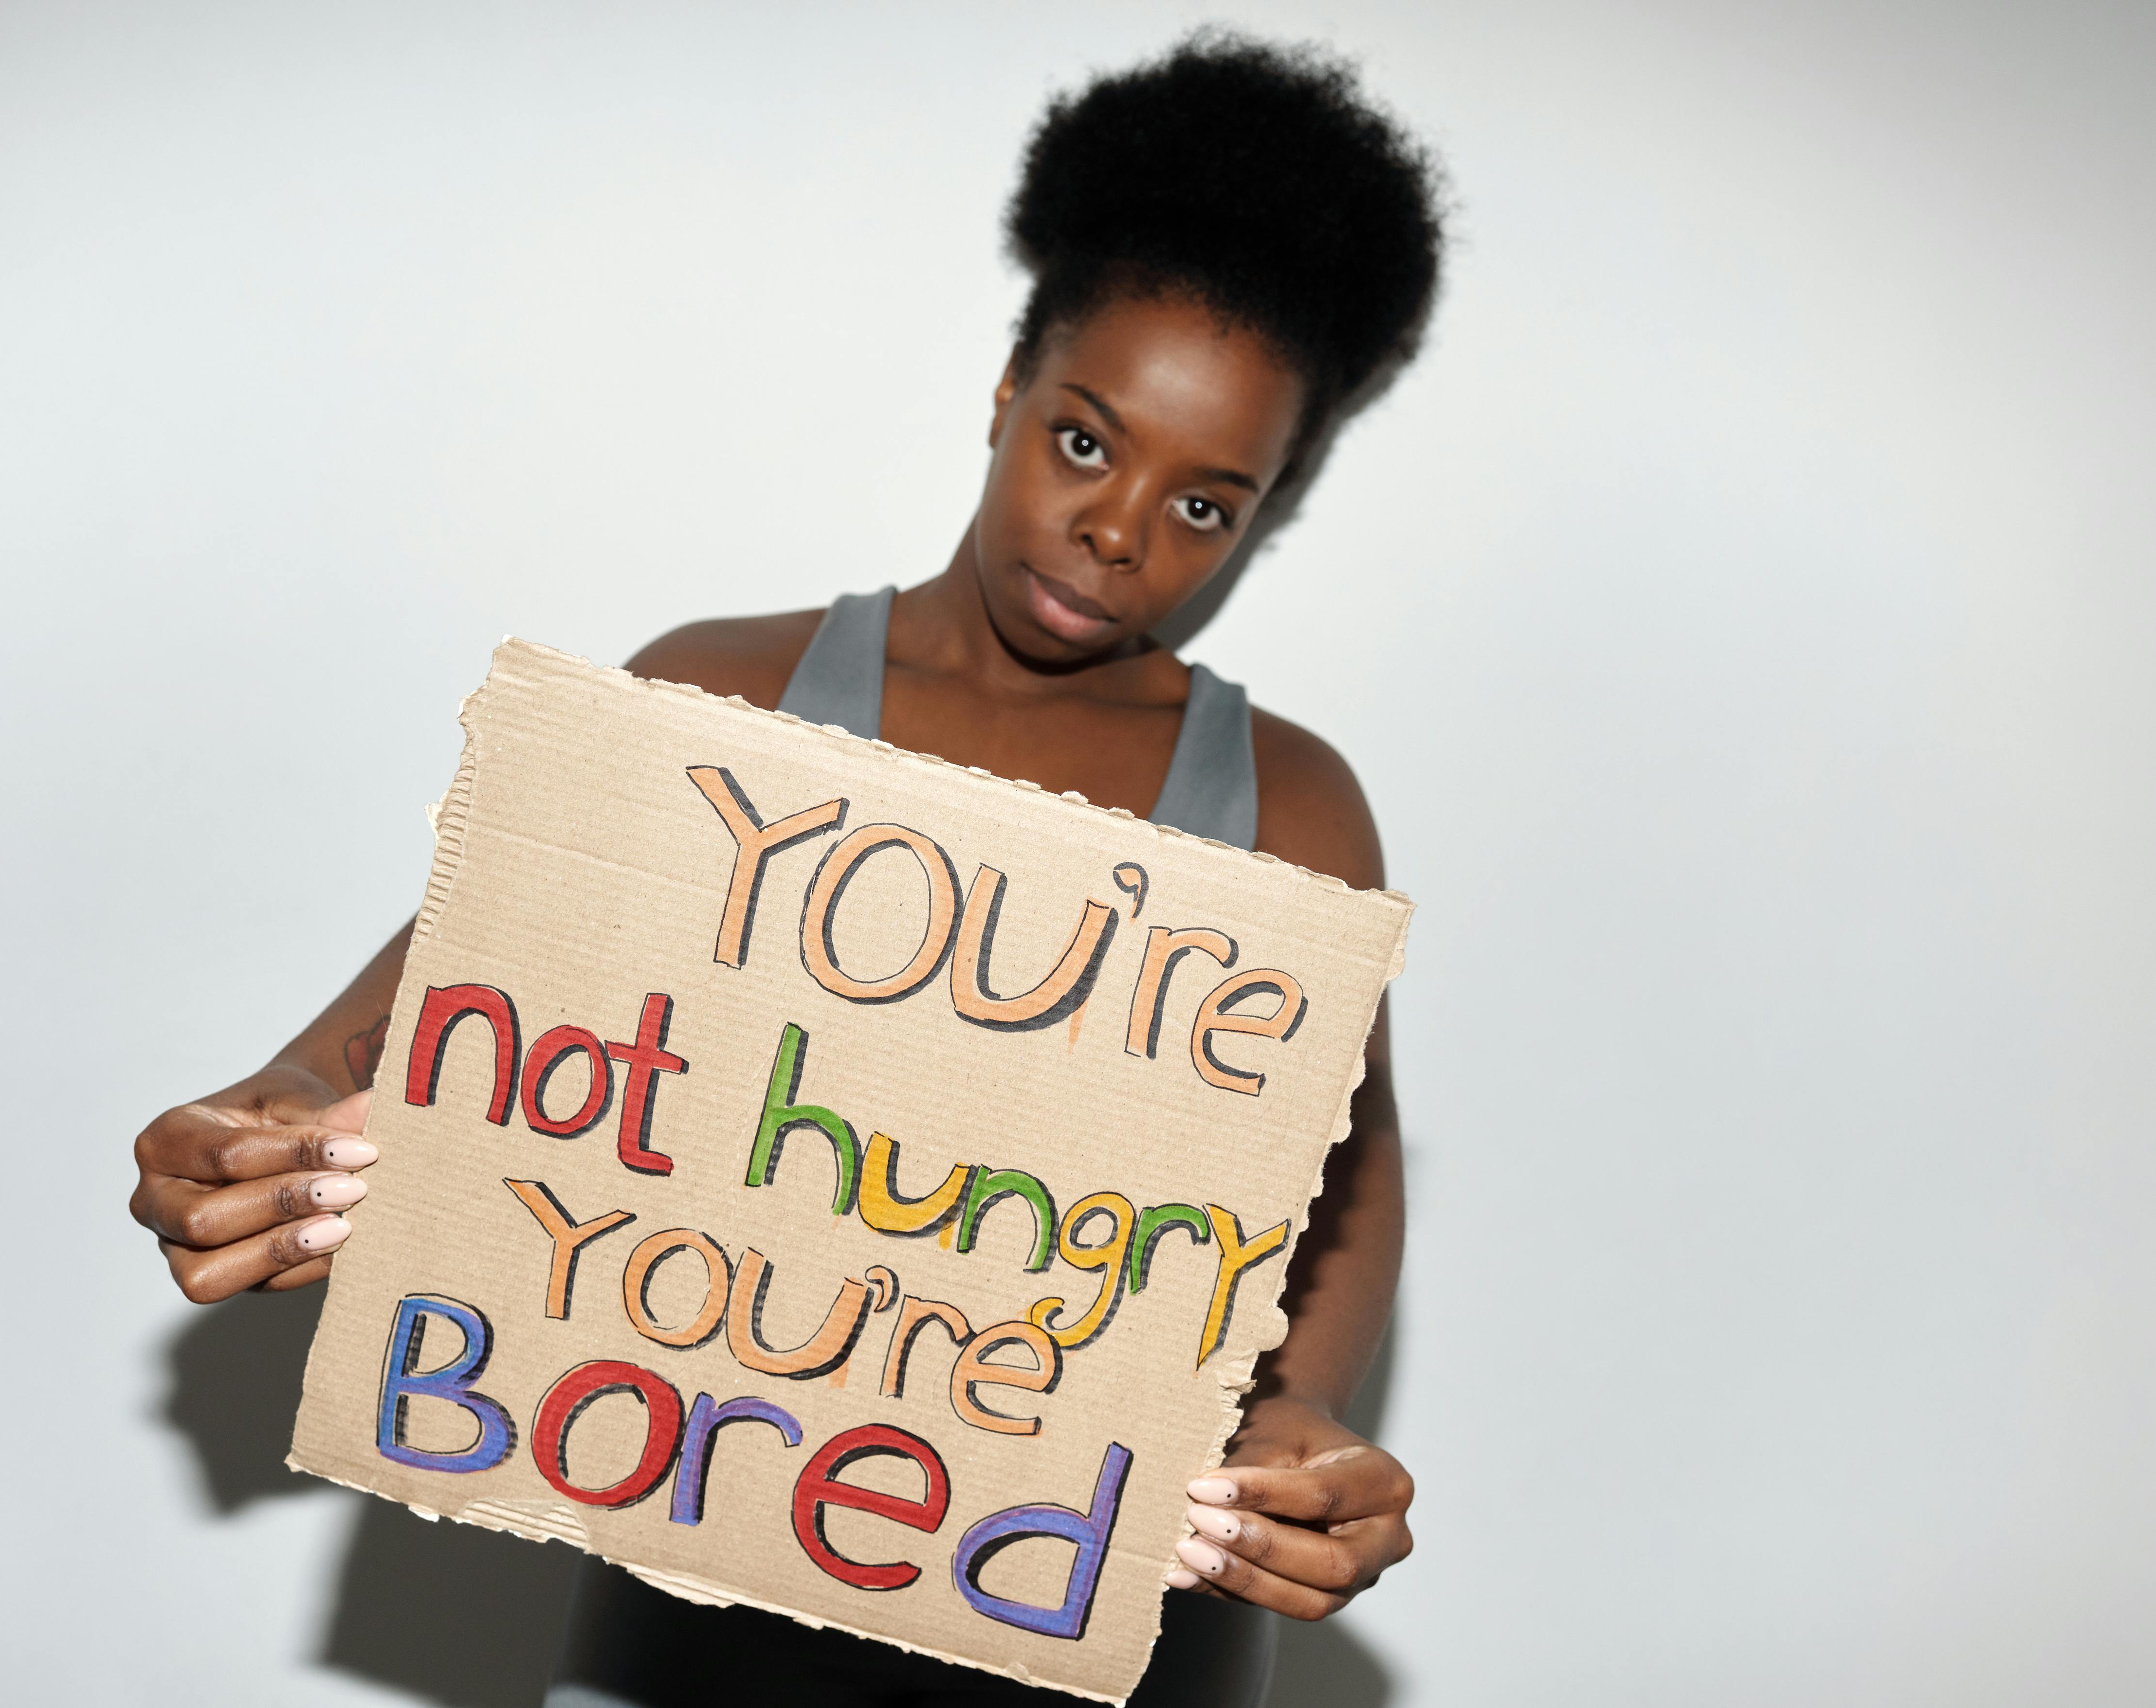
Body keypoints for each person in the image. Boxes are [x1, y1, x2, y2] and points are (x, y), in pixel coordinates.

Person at [130, 31, 1444, 1707]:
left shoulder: (1291, 803)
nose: (1120, 531)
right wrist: (274, 1129)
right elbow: (423, 1017)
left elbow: (1348, 1162)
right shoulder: (725, 696)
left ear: (1266, 516)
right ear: (1005, 397)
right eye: (1088, 442)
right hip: (704, 1575)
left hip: (1103, 1618)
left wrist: (1295, 1421)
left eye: (1208, 507)